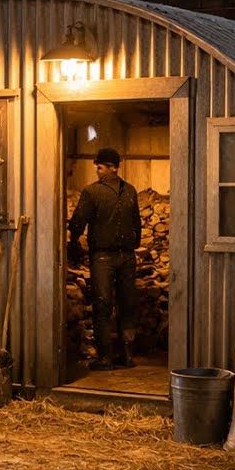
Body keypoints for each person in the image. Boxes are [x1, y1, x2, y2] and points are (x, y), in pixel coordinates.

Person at [67, 147, 141, 371]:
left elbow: (79, 220)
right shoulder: (128, 191)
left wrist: (74, 241)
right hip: (122, 256)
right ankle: (120, 356)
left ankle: (109, 357)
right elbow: (137, 223)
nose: (97, 170)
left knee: (107, 305)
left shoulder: (94, 192)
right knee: (120, 305)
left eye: (100, 166)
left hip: (106, 258)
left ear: (112, 167)